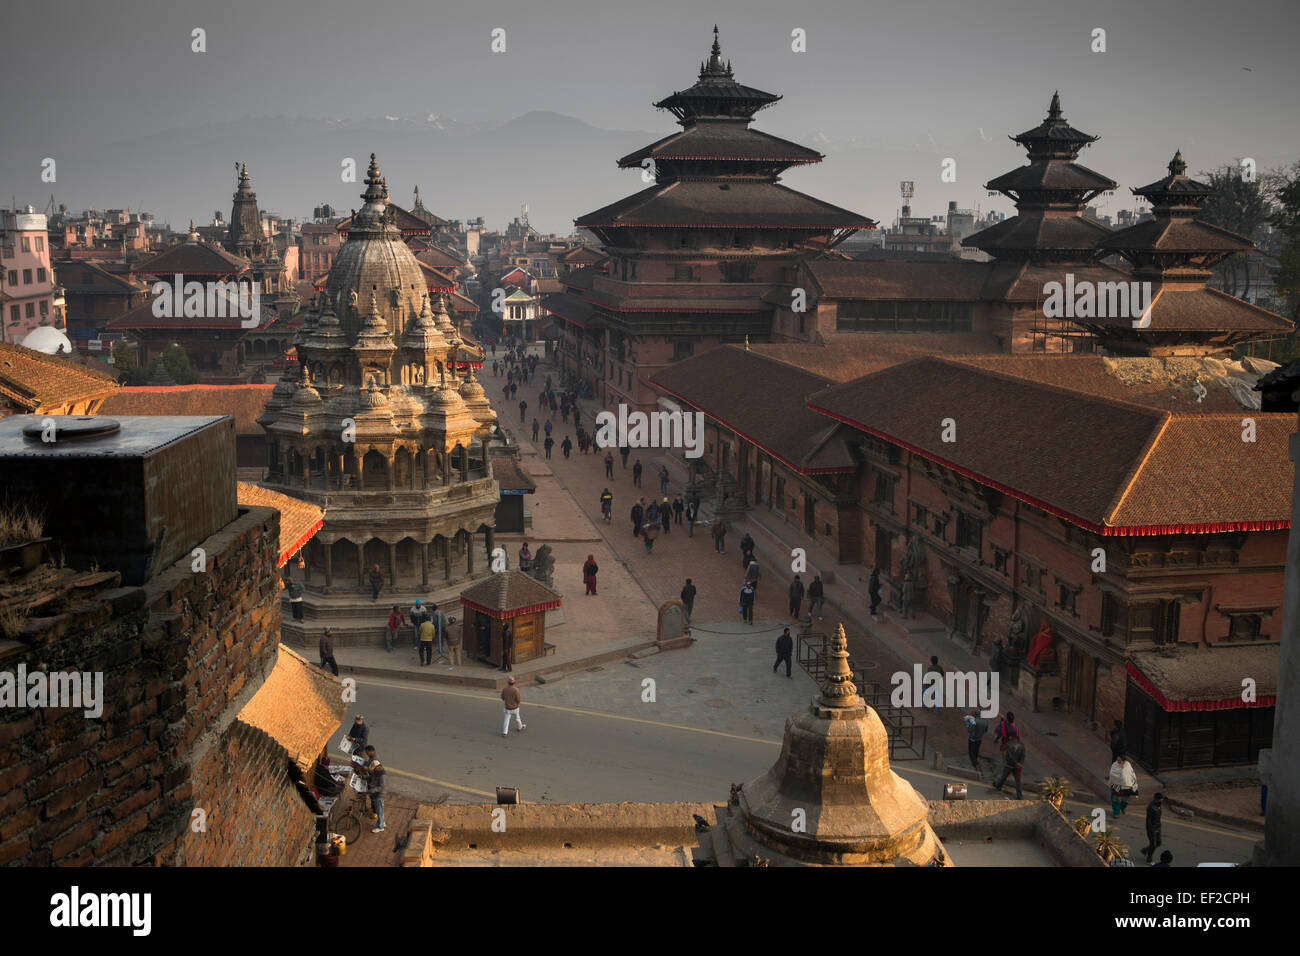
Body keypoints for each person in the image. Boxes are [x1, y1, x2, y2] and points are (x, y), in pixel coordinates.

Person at [992, 730, 1026, 800]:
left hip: (1010, 765)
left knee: (1004, 776)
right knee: (1018, 781)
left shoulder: (1009, 744)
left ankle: (998, 786)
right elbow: (1023, 756)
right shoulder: (1022, 745)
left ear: (1011, 736)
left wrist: (1015, 763)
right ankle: (1019, 796)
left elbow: (1009, 756)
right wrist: (1019, 763)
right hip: (1017, 767)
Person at [1141, 793, 1165, 864]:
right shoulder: (1151, 807)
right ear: (1156, 799)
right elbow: (1148, 819)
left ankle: (1145, 850)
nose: (1162, 800)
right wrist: (1151, 829)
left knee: (1159, 843)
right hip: (1152, 828)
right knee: (1153, 845)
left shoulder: (1159, 806)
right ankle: (1149, 859)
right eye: (1161, 799)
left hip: (1158, 827)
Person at [366, 758, 387, 833]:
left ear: (378, 767)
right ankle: (382, 822)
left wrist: (371, 790)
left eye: (374, 768)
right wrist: (363, 777)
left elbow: (381, 787)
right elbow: (371, 777)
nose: (373, 770)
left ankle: (380, 827)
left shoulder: (382, 775)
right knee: (380, 810)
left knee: (379, 811)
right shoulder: (377, 771)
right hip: (377, 794)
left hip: (380, 795)